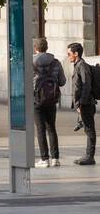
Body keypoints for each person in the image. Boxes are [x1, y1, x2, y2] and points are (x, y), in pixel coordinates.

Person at [33, 38, 66, 167]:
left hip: (36, 101)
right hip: (52, 100)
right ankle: (55, 159)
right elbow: (62, 81)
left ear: (35, 48)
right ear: (47, 48)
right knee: (51, 128)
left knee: (40, 129)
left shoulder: (30, 62)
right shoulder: (56, 63)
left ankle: (44, 159)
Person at [68, 42, 96, 166]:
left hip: (87, 104)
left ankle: (90, 157)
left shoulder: (82, 66)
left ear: (76, 54)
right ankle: (87, 156)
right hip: (83, 103)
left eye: (69, 54)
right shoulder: (78, 65)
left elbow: (86, 85)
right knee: (87, 129)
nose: (68, 56)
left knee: (90, 130)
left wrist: (81, 104)